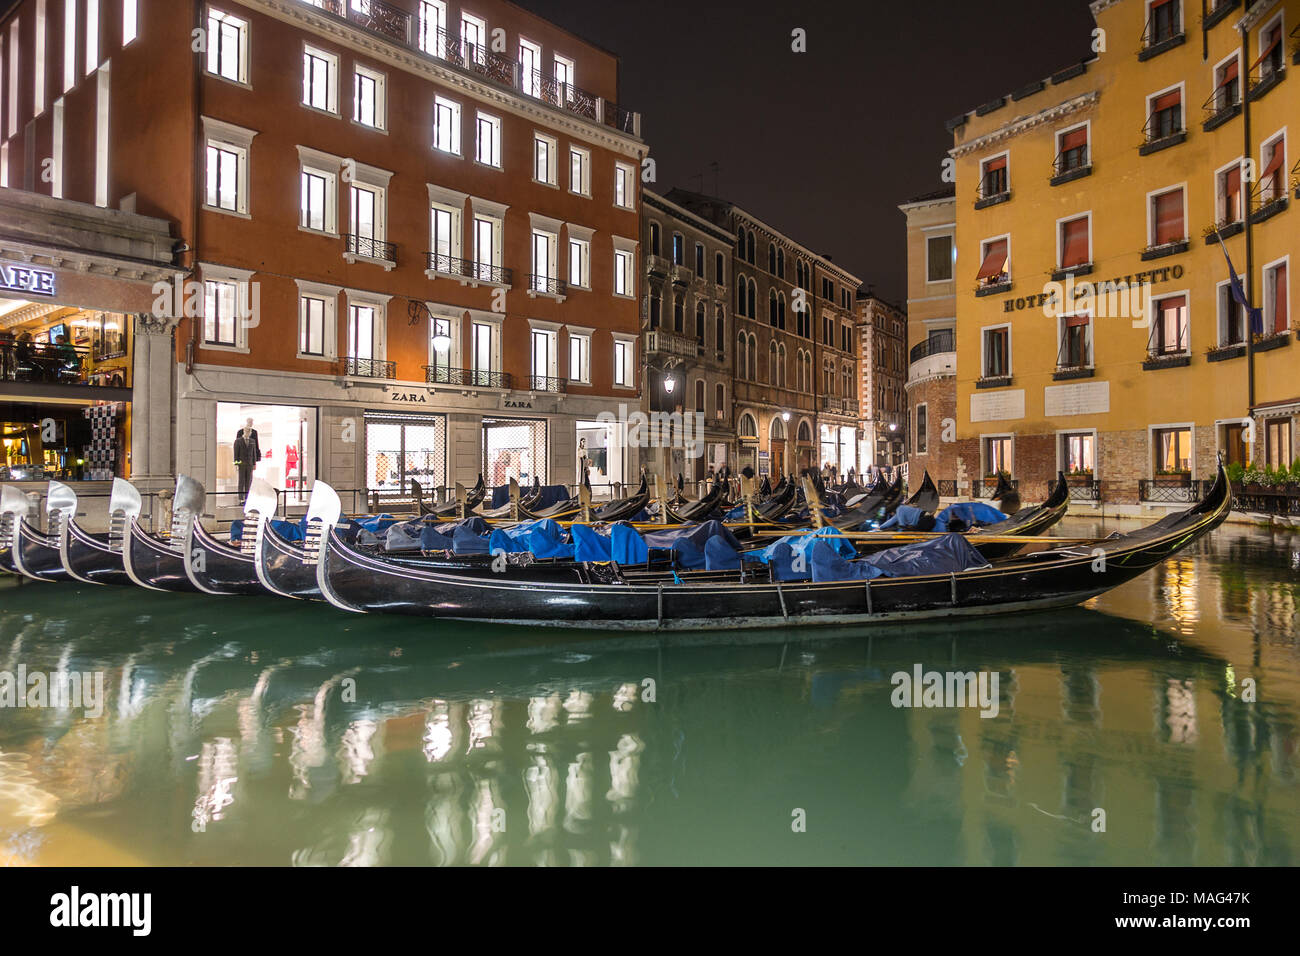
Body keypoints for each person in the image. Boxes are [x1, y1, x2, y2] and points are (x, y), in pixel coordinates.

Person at [232, 417, 262, 500]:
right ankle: (241, 498)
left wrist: (254, 463)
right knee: (241, 481)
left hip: (249, 464)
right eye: (247, 431)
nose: (249, 432)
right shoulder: (238, 440)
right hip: (241, 463)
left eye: (249, 431)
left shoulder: (253, 440)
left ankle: (248, 498)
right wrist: (236, 464)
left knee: (249, 481)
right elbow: (236, 453)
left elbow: (254, 452)